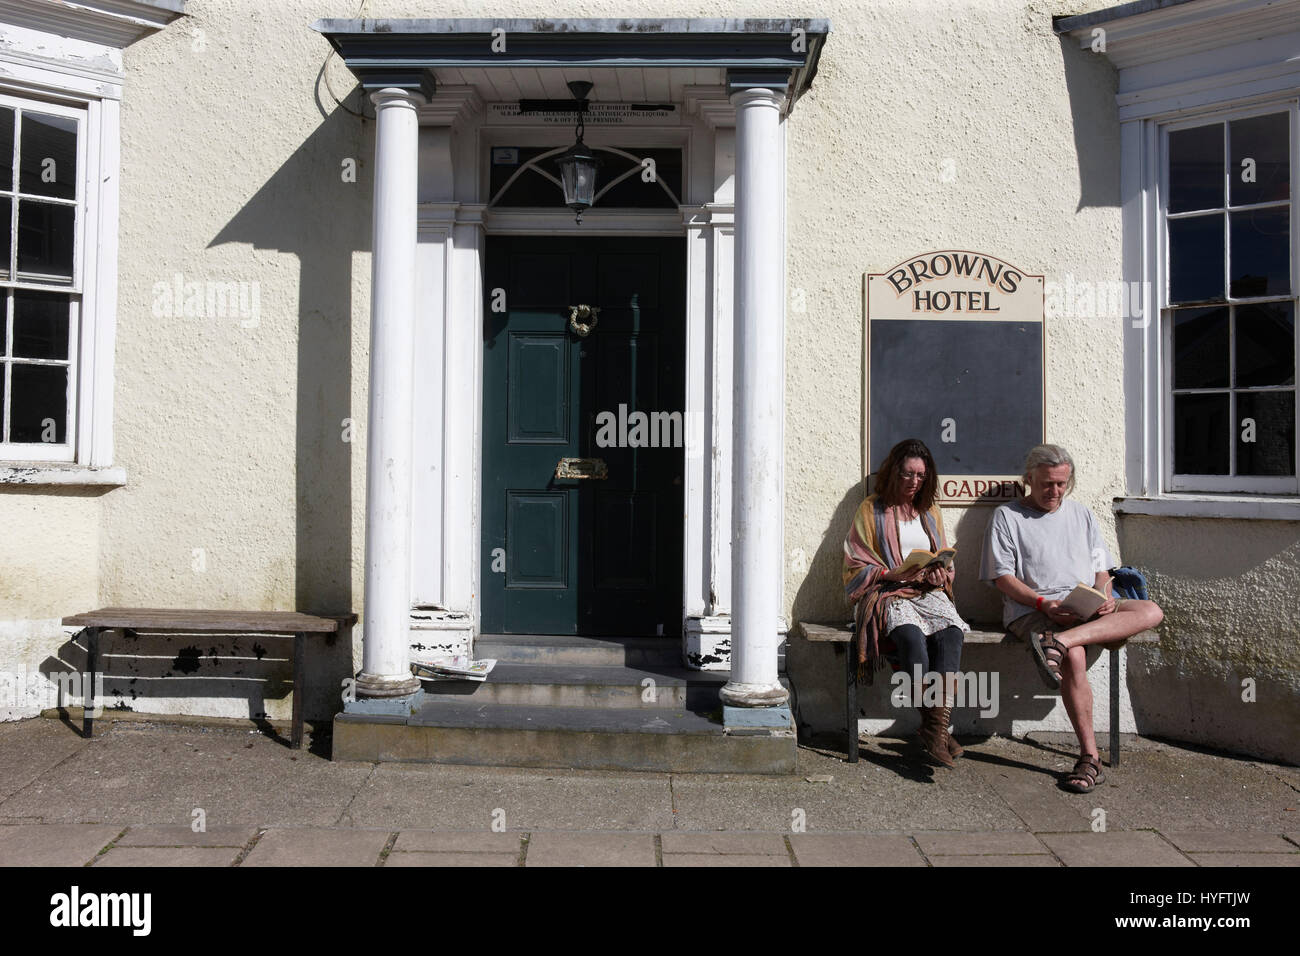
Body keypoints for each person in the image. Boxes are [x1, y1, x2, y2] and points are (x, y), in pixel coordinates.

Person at [980, 443, 1164, 793]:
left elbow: (1101, 569)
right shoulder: (1008, 516)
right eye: (1047, 484)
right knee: (1075, 657)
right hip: (1034, 609)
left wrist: (1104, 597)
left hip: (1083, 607)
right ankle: (1090, 758)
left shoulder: (1081, 514)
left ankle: (1060, 642)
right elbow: (1002, 578)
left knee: (1150, 610)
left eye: (1062, 484)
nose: (1055, 491)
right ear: (1029, 479)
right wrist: (1044, 605)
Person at [843, 438, 969, 767]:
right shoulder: (872, 509)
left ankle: (933, 729)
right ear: (893, 472)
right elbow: (854, 562)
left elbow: (944, 559)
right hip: (887, 591)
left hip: (926, 592)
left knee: (952, 632)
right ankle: (937, 729)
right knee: (911, 638)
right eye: (907, 474)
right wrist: (893, 573)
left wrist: (940, 574)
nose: (914, 482)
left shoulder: (930, 511)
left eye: (921, 476)